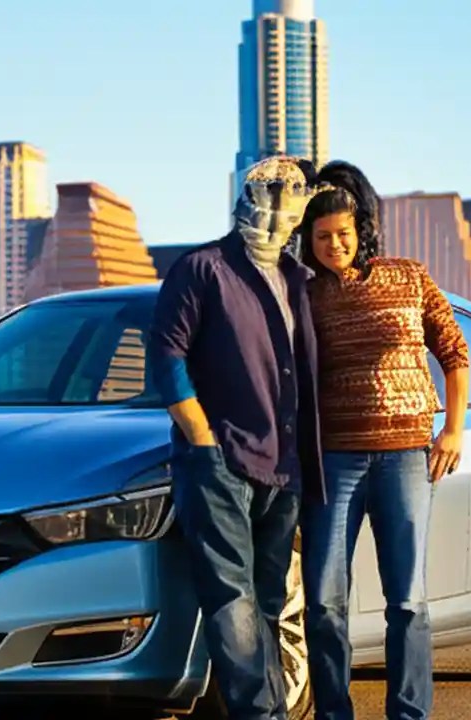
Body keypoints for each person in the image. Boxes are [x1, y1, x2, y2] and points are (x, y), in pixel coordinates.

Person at [148, 156, 326, 720]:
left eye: (296, 196)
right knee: (232, 597)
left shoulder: (299, 279)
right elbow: (167, 352)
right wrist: (201, 439)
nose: (285, 207)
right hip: (221, 463)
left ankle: (268, 708)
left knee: (269, 601)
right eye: (276, 193)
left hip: (286, 467)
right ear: (250, 197)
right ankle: (259, 713)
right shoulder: (202, 268)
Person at [296, 160, 471, 720]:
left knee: (408, 600)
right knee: (324, 600)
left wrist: (453, 429)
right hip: (334, 460)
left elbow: (454, 353)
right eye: (321, 237)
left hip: (405, 459)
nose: (333, 245)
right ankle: (333, 713)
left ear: (362, 227)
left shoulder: (410, 276)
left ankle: (409, 712)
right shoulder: (306, 295)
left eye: (343, 234)